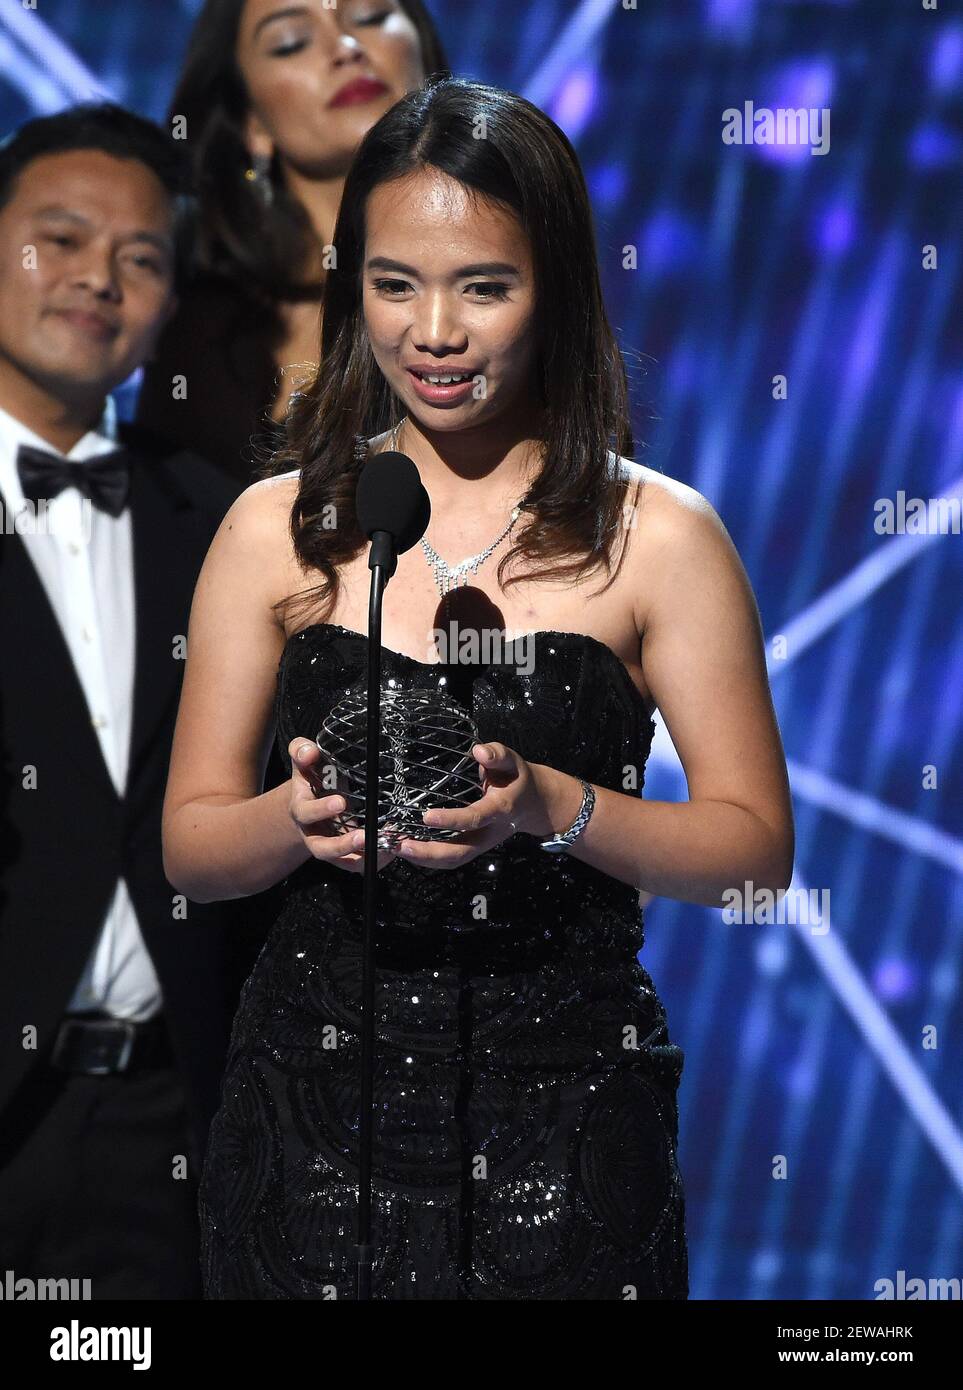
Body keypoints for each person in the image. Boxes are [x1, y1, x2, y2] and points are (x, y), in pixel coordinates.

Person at [162, 76, 795, 1300]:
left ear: (552, 286)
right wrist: (295, 825)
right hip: (308, 1122)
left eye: (482, 287)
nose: (431, 332)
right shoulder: (274, 528)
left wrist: (552, 804)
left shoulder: (658, 536)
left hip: (567, 1124)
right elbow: (190, 847)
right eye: (394, 283)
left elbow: (754, 851)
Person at [0, 103, 244, 1298]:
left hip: (172, 1123)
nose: (101, 277)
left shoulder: (221, 518)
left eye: (142, 258)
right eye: (61, 238)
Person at [135, 0, 449, 485]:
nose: (345, 48)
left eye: (369, 17)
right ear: (252, 126)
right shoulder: (199, 329)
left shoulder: (522, 257)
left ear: (425, 55)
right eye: (291, 43)